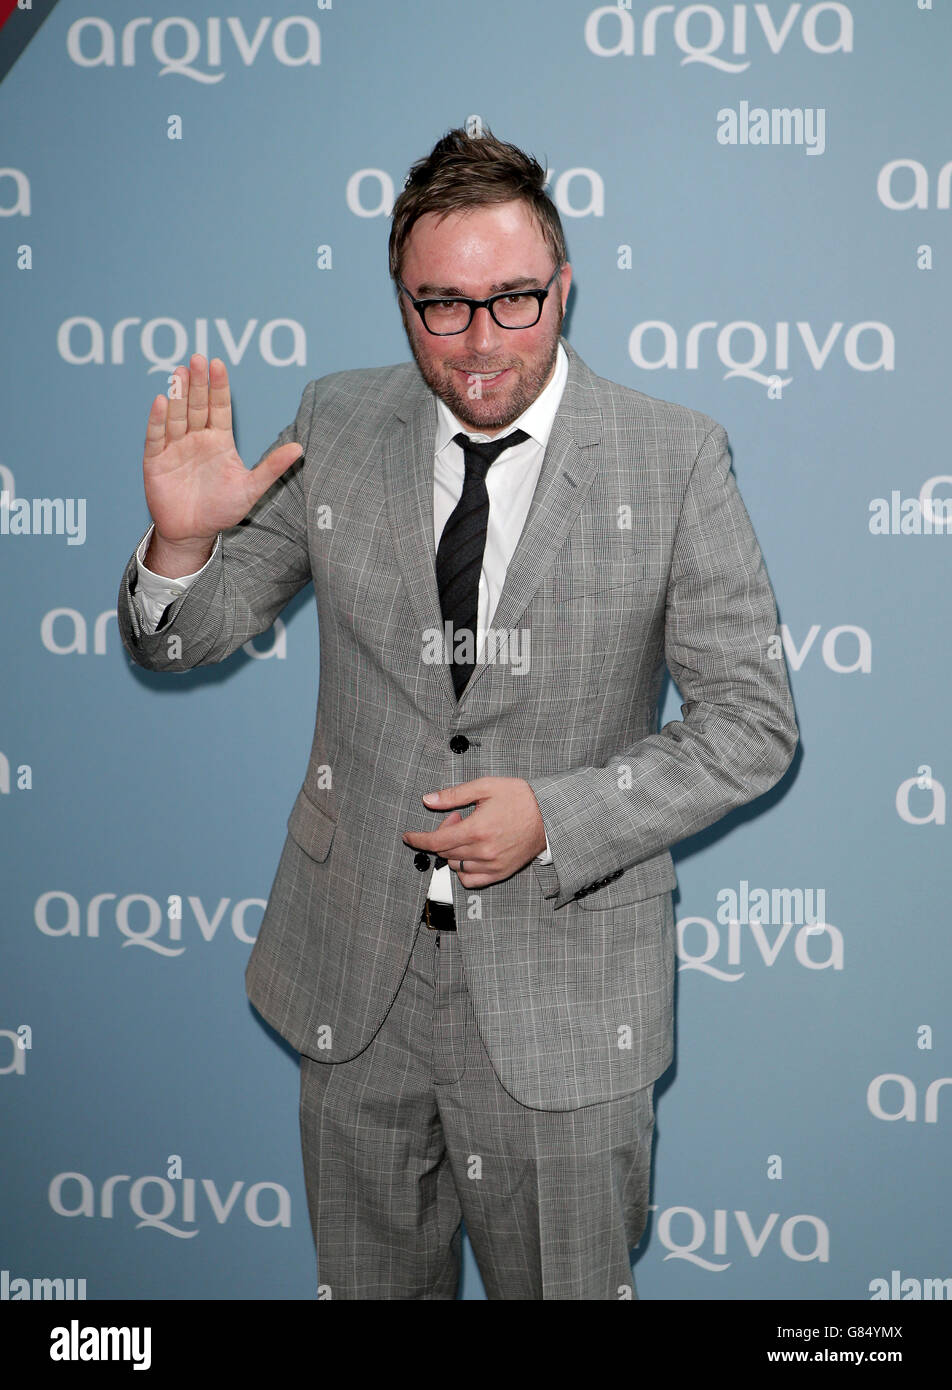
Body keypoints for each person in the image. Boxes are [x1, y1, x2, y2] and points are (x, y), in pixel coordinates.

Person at [118, 127, 798, 1300]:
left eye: (514, 300)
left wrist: (556, 815)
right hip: (356, 984)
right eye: (442, 306)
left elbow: (751, 722)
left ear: (564, 287)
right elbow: (185, 637)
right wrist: (183, 543)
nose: (481, 343)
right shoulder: (334, 423)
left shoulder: (672, 459)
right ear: (400, 299)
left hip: (566, 1001)